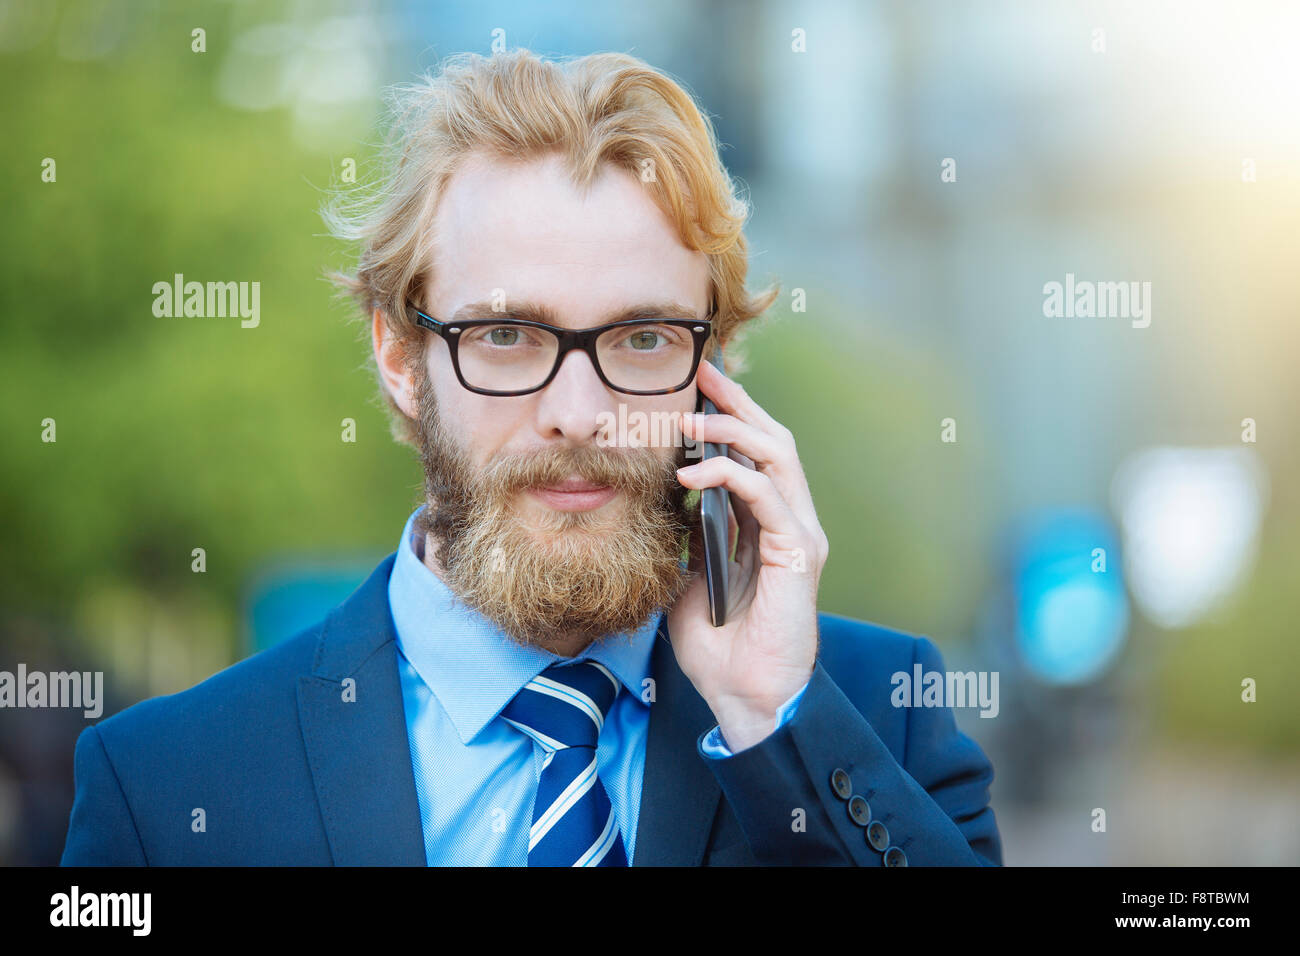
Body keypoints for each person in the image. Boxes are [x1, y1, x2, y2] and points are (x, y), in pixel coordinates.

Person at [61, 48, 1001, 866]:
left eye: (641, 339)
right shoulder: (165, 787)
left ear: (709, 368)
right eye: (507, 335)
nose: (579, 413)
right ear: (399, 357)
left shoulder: (878, 720)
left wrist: (770, 719)